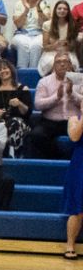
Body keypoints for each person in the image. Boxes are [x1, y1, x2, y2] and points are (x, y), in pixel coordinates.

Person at [31, 50, 78, 157]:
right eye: (58, 62)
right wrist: (57, 97)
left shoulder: (80, 80)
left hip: (75, 121)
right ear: (54, 66)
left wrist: (72, 94)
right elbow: (38, 105)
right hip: (50, 122)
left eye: (65, 61)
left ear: (70, 64)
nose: (62, 64)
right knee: (36, 135)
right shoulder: (44, 81)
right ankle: (57, 158)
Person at [12, 0, 49, 72]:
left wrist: (38, 8)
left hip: (39, 33)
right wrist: (26, 10)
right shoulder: (19, 4)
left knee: (36, 46)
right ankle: (22, 72)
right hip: (22, 33)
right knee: (23, 44)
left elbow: (44, 25)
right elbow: (18, 24)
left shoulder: (44, 4)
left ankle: (33, 72)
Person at [61, 114, 83, 259]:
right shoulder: (74, 119)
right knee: (77, 206)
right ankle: (70, 244)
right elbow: (74, 137)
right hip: (80, 164)